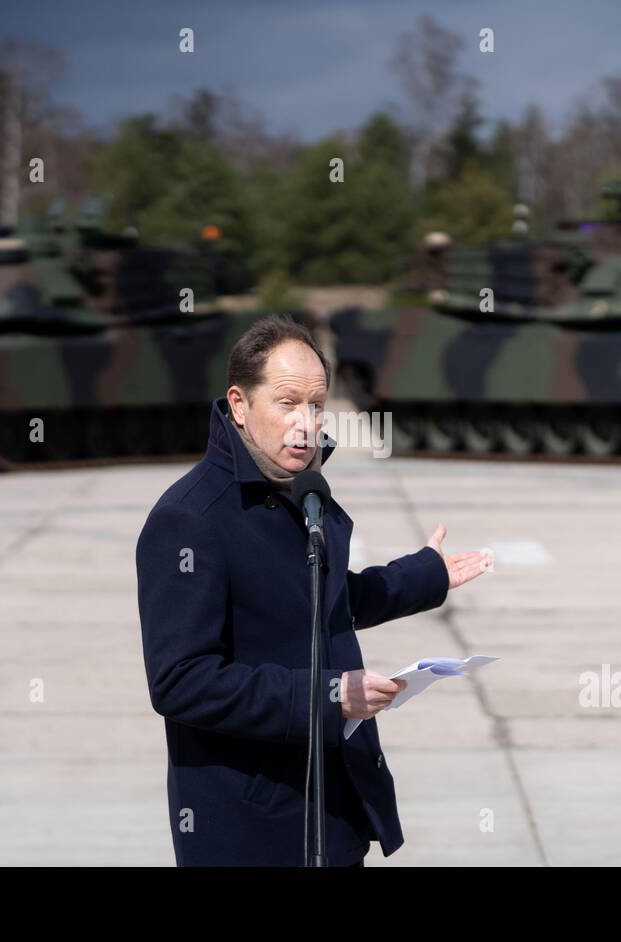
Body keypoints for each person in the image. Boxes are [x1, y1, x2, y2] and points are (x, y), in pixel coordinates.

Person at [136, 315, 488, 866]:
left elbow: (314, 601)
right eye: (286, 403)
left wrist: (424, 577)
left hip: (330, 813)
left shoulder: (295, 492)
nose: (305, 423)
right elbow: (180, 682)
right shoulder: (190, 520)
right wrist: (328, 697)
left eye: (317, 405)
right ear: (238, 405)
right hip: (251, 828)